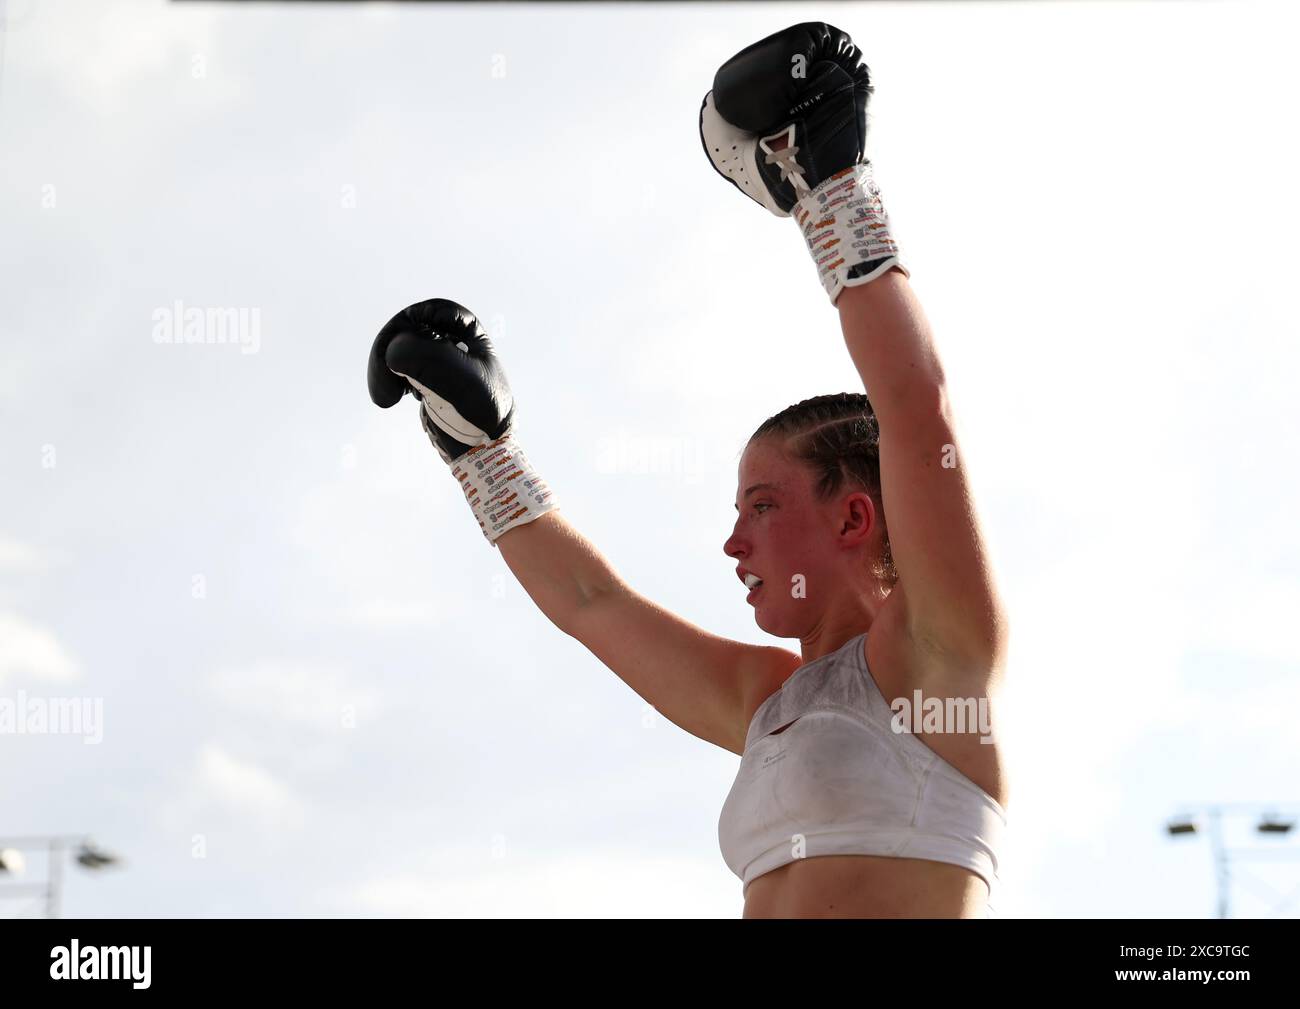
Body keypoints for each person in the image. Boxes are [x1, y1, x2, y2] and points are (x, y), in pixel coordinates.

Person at [367, 21, 1009, 919]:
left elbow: (914, 406)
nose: (733, 540)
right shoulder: (768, 700)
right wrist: (482, 456)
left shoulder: (937, 659)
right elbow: (594, 606)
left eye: (762, 503)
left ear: (854, 518)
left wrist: (831, 187)